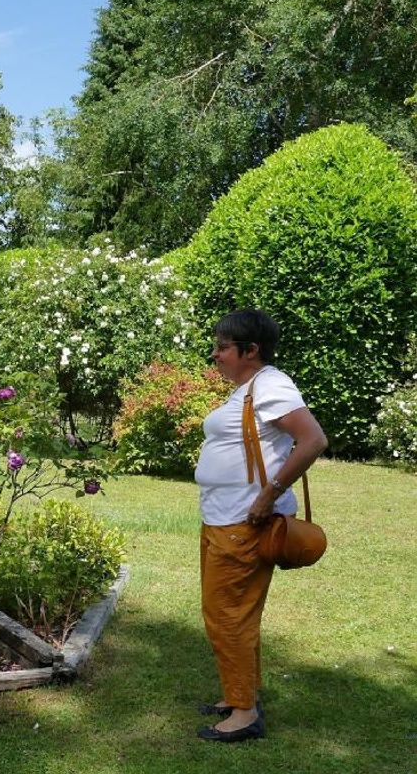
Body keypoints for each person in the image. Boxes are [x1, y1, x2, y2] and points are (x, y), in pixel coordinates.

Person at [192, 309, 327, 742]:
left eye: (223, 348)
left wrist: (269, 494)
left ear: (251, 350)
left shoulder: (271, 384)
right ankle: (239, 695)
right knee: (226, 614)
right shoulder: (248, 389)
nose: (215, 356)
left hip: (243, 523)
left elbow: (313, 439)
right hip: (222, 519)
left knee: (230, 616)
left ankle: (244, 714)